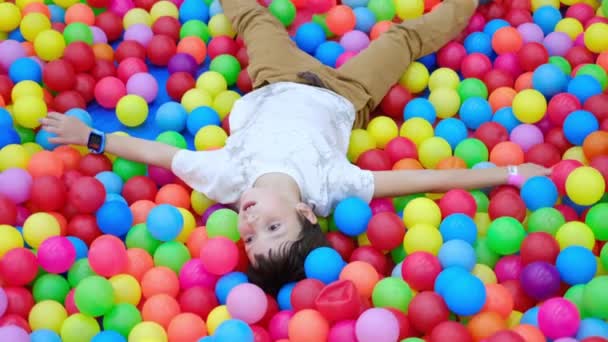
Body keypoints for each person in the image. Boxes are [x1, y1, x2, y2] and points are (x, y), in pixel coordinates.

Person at [40, 0, 550, 295]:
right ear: (307, 211)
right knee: (401, 39)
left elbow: (156, 153)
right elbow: (430, 180)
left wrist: (94, 138)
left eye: (249, 237)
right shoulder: (332, 186)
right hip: (347, 92)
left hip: (276, 78)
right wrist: (507, 176)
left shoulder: (226, 179)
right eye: (272, 227)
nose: (249, 223)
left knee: (257, 23)